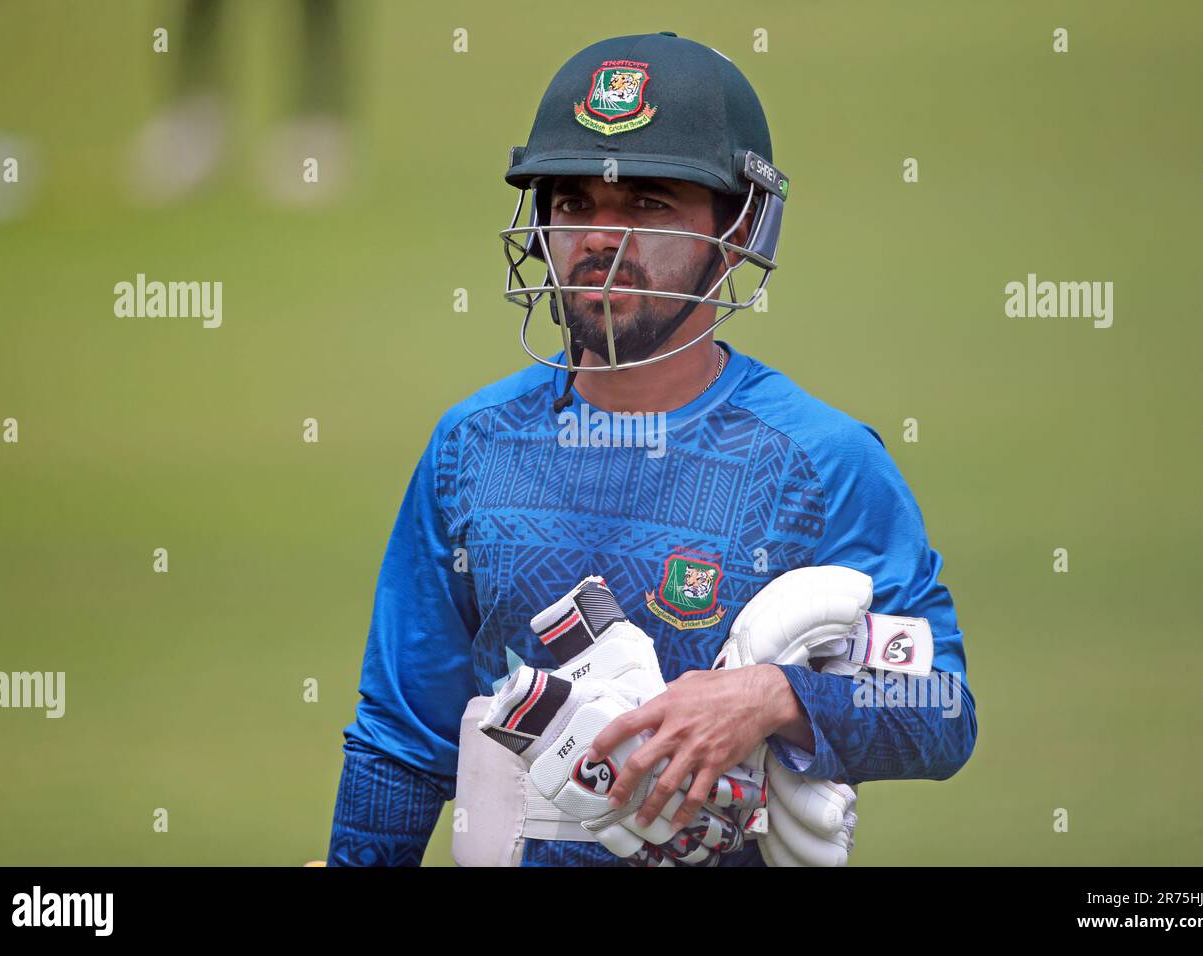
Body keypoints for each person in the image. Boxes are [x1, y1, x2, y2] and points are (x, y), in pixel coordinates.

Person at [327, 31, 976, 867]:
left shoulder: (823, 462)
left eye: (648, 206)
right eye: (573, 206)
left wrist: (775, 696)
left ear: (737, 225)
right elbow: (400, 739)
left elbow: (940, 707)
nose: (601, 239)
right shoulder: (470, 447)